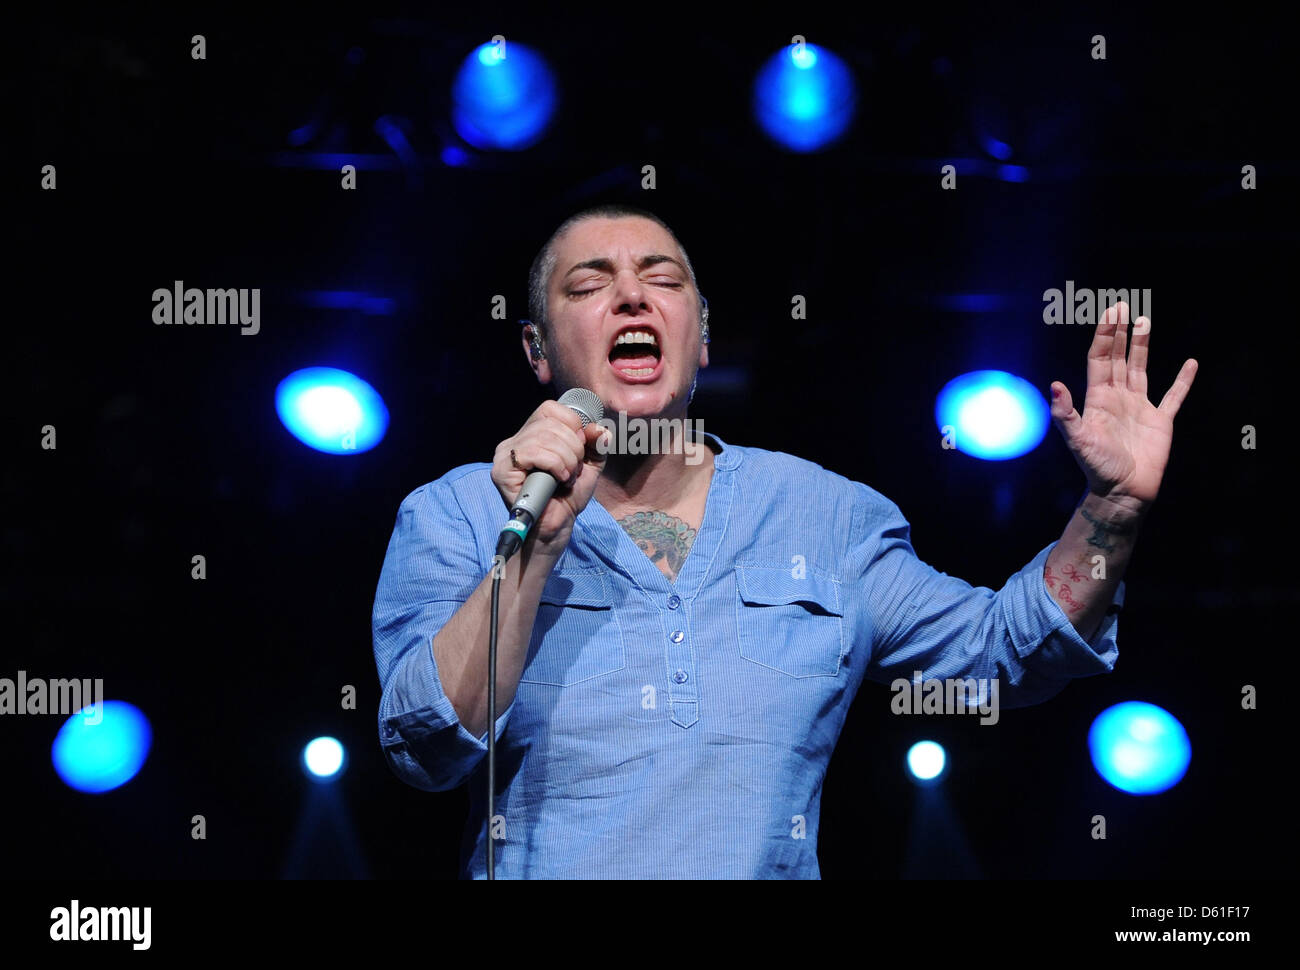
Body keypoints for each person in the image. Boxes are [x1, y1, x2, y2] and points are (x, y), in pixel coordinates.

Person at [371, 203, 1197, 878]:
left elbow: (1007, 654)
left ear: (699, 339)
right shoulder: (461, 514)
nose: (632, 297)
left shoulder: (822, 515)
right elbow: (428, 748)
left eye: (662, 279)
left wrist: (1109, 511)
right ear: (537, 350)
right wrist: (537, 548)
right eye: (590, 285)